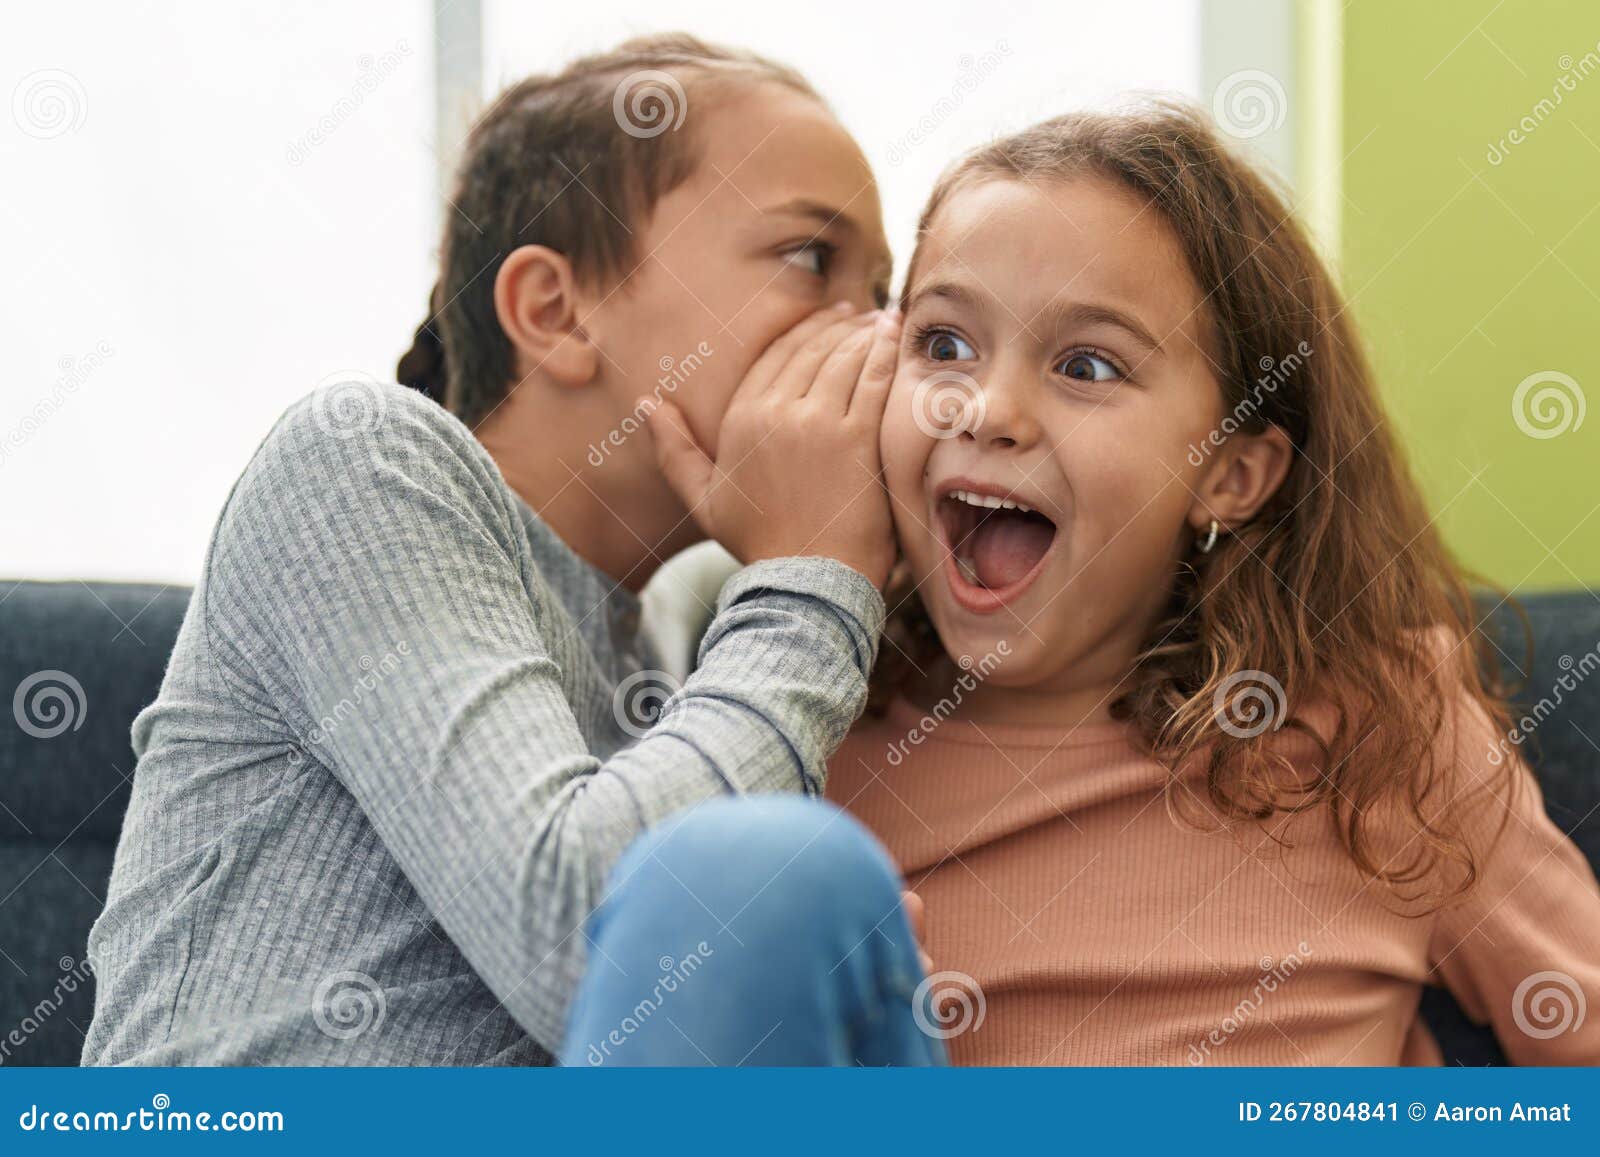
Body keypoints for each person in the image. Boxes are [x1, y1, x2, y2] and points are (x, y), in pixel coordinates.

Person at [83, 34, 919, 1066]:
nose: (880, 340)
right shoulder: (361, 458)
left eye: (882, 293)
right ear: (555, 313)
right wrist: (814, 577)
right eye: (811, 258)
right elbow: (589, 942)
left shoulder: (676, 649)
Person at [827, 102, 1600, 1065]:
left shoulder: (1386, 732)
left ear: (1231, 474)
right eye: (943, 344)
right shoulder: (809, 740)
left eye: (1087, 364)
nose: (984, 409)